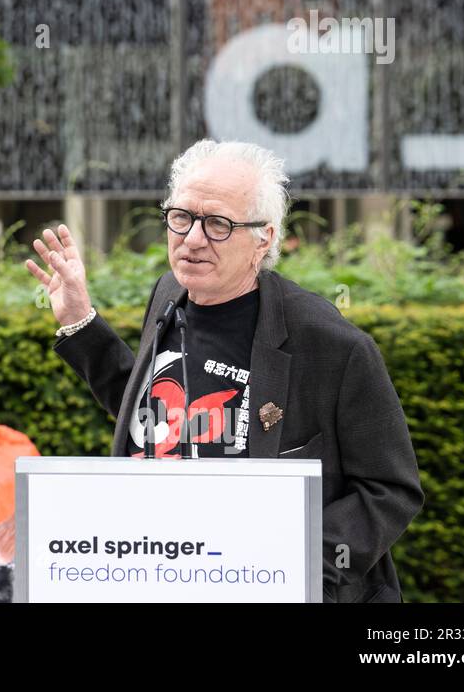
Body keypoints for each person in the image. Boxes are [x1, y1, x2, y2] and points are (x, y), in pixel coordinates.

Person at [25, 138, 424, 603]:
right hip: (165, 577)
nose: (193, 239)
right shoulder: (167, 295)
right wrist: (80, 320)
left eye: (218, 224)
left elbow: (389, 489)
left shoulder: (332, 344)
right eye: (182, 218)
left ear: (265, 239)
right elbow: (155, 415)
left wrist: (288, 570)